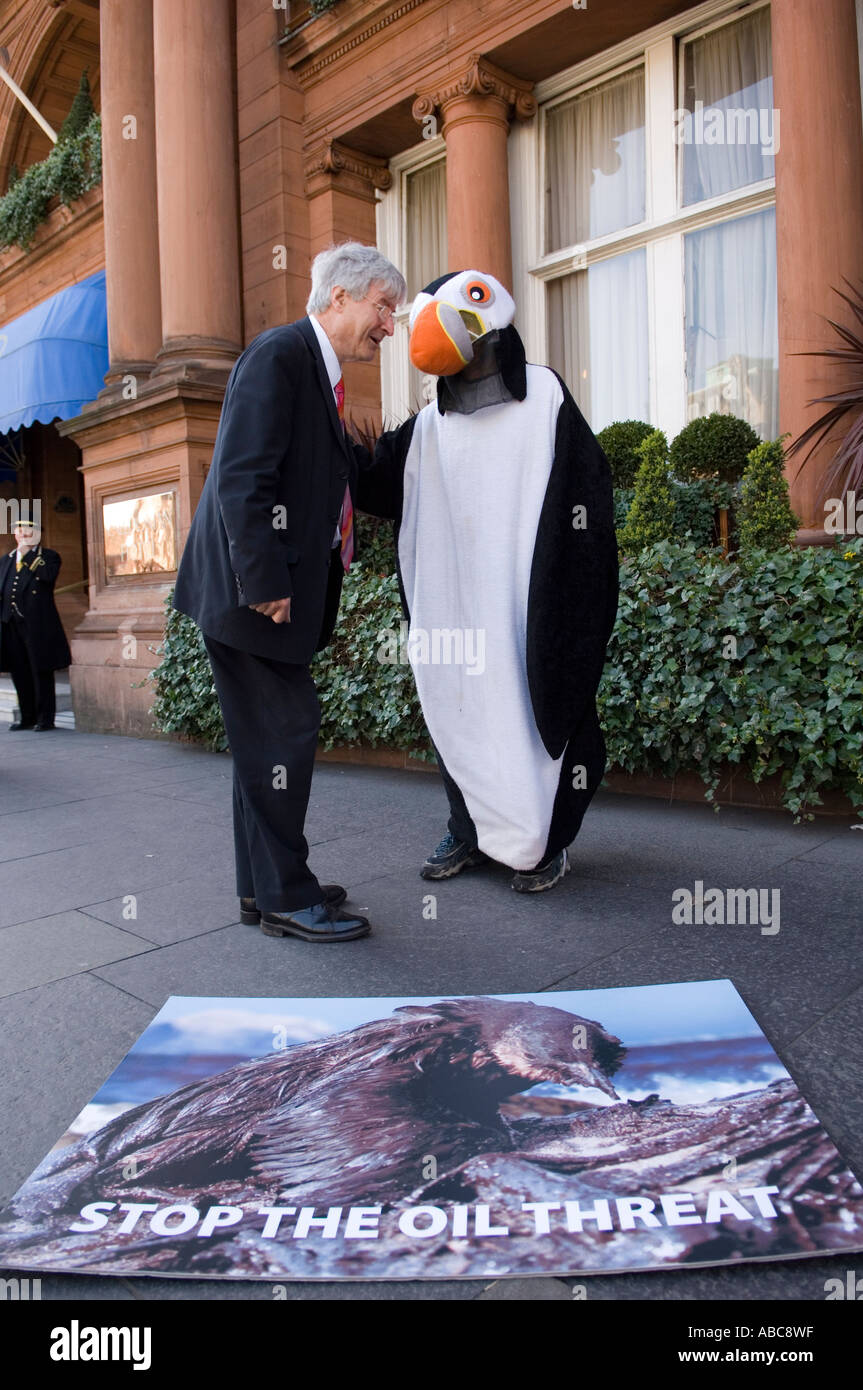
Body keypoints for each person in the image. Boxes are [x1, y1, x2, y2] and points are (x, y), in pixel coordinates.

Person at [174, 242, 406, 943]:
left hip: (262, 597)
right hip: (255, 599)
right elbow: (242, 476)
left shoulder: (318, 373)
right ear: (340, 297)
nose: (389, 327)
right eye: (382, 308)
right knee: (283, 737)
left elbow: (334, 476)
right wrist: (265, 581)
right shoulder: (280, 356)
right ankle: (285, 896)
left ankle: (263, 890)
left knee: (264, 743)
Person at [358, 270, 618, 892]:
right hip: (457, 609)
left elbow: (589, 495)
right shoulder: (429, 427)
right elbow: (371, 483)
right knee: (460, 710)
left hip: (529, 603)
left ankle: (547, 841)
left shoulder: (548, 399)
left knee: (540, 712)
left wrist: (571, 596)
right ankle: (469, 828)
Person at [0, 519, 71, 731]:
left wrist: (29, 553)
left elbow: (47, 578)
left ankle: (45, 719)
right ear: (14, 534)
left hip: (38, 626)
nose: (23, 534)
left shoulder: (48, 557)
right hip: (11, 624)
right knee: (19, 672)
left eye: (29, 530)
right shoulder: (6, 560)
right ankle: (27, 717)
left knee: (41, 671)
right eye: (19, 530)